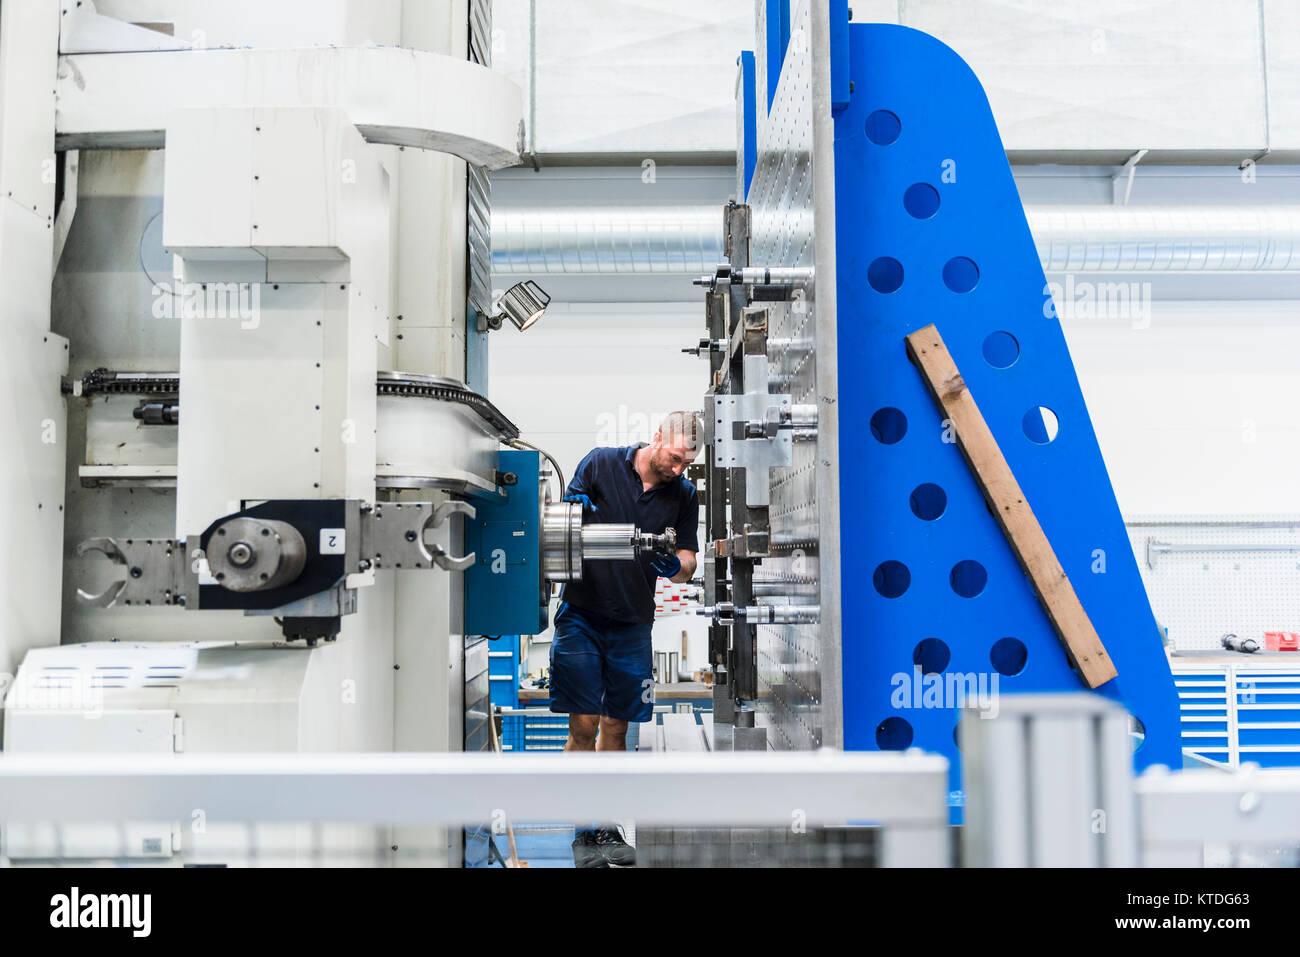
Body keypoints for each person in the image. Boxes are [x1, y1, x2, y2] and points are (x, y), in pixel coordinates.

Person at [551, 411, 702, 867]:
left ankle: (606, 825)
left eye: (686, 464)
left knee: (617, 726)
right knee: (584, 724)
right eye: (674, 458)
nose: (678, 469)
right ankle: (582, 830)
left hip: (633, 622)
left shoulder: (684, 495)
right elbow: (561, 519)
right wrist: (577, 510)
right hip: (581, 615)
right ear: (657, 438)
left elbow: (689, 559)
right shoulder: (600, 464)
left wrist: (672, 565)